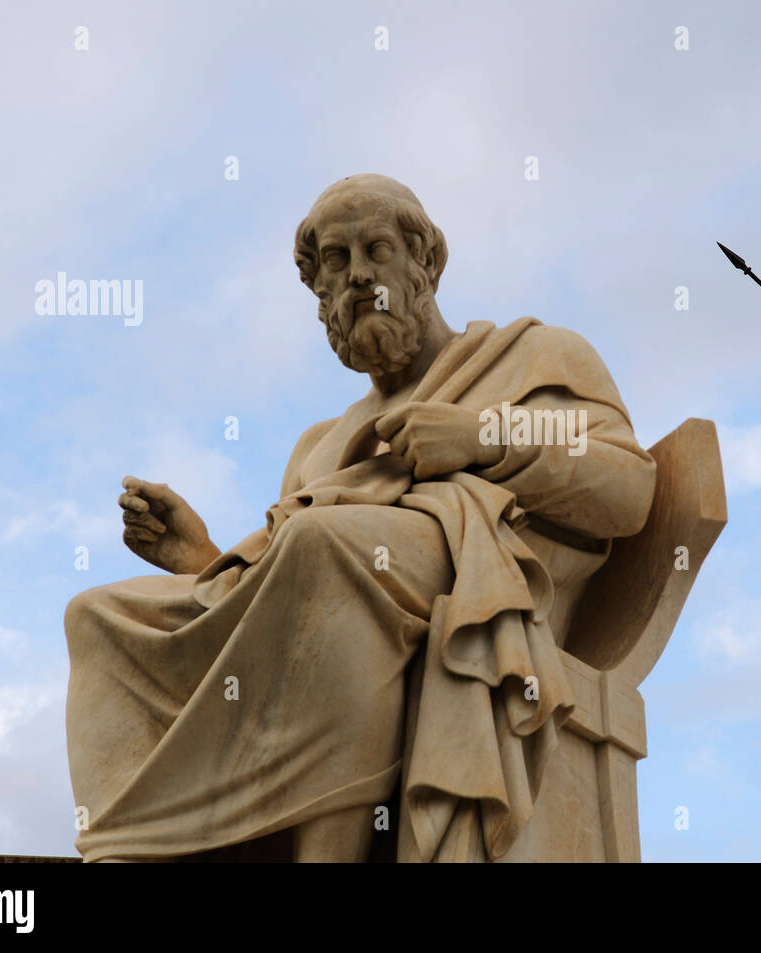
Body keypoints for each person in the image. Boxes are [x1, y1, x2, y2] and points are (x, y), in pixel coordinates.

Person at [64, 174, 656, 862]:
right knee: (97, 616)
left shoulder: (534, 355)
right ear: (320, 299)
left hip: (482, 589)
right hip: (342, 572)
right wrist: (201, 559)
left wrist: (483, 437)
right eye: (336, 263)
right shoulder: (319, 446)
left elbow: (628, 488)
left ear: (426, 263)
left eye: (376, 249)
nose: (357, 277)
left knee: (324, 546)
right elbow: (279, 601)